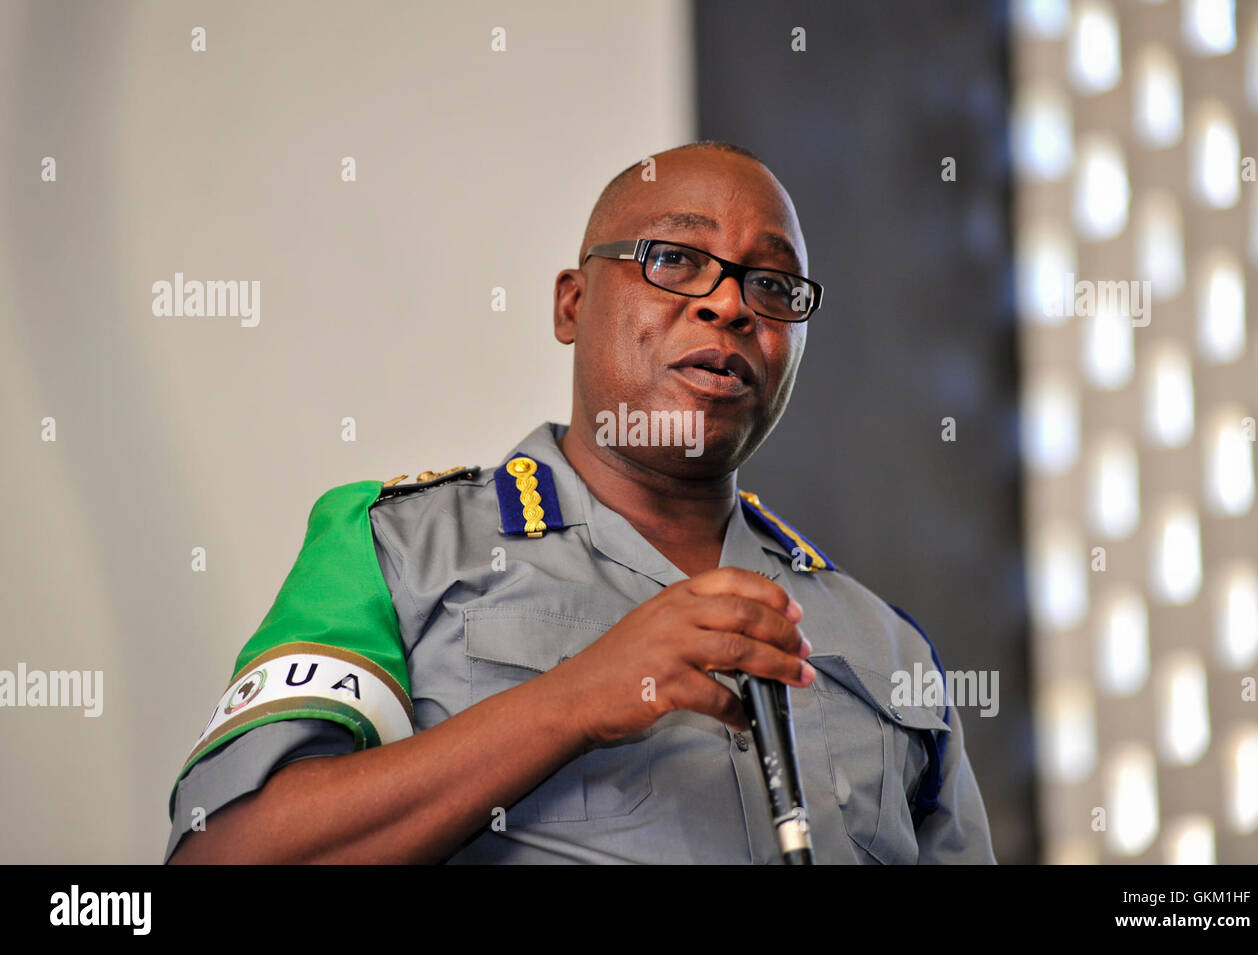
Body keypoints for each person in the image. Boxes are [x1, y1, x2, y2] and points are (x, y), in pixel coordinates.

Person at [165, 140, 997, 864]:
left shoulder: (888, 650)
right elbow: (225, 851)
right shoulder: (397, 547)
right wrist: (576, 698)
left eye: (774, 285)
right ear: (572, 303)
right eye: (675, 258)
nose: (731, 304)